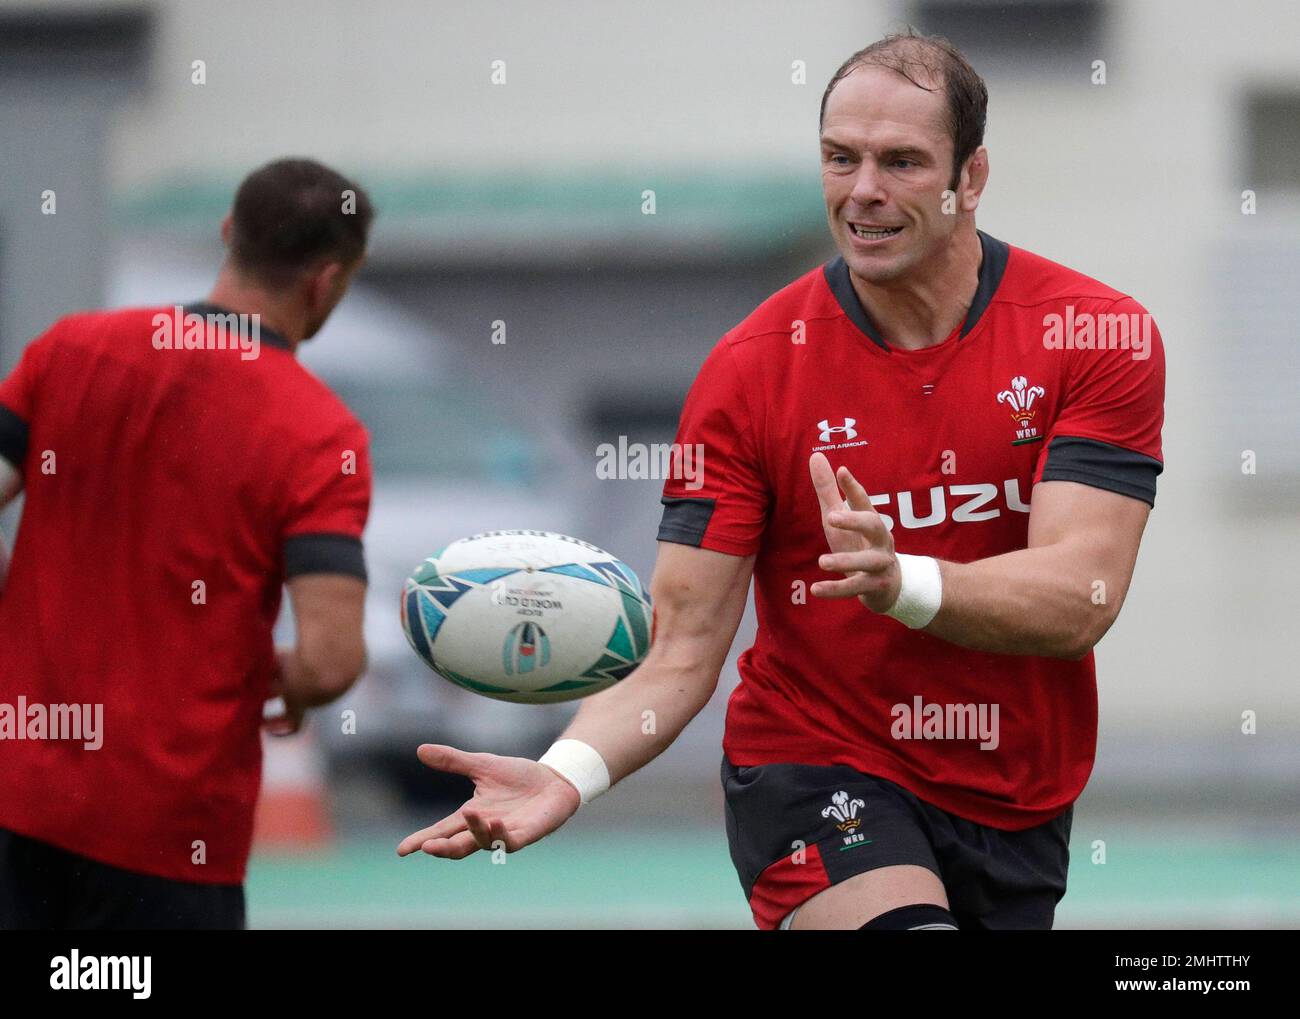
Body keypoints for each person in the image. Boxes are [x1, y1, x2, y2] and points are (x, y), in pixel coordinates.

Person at [397, 31, 1165, 931]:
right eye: (841, 159)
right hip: (816, 762)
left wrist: (901, 581)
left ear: (972, 176)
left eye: (903, 162)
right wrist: (565, 771)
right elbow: (683, 642)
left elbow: (1083, 591)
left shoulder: (1097, 334)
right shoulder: (750, 369)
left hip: (1017, 786)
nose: (864, 190)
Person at [0, 157, 375, 929]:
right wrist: (290, 680)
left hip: (15, 795)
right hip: (169, 835)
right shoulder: (320, 433)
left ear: (229, 232)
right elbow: (332, 657)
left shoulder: (71, 349)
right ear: (328, 280)